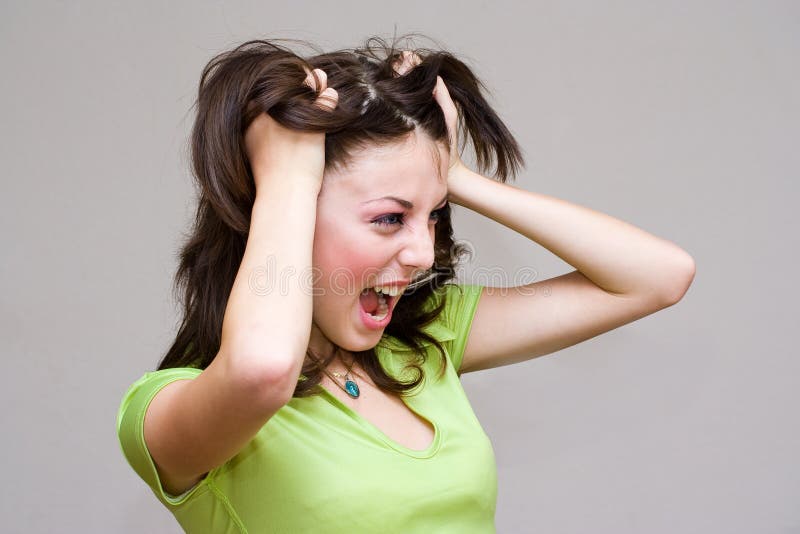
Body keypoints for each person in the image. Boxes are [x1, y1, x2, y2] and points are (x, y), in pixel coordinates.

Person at [116, 37, 696, 533]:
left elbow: (656, 277)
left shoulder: (423, 343)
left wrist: (455, 176)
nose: (423, 254)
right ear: (285, 214)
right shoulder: (167, 412)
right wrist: (286, 177)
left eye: (434, 216)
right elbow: (262, 370)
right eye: (389, 218)